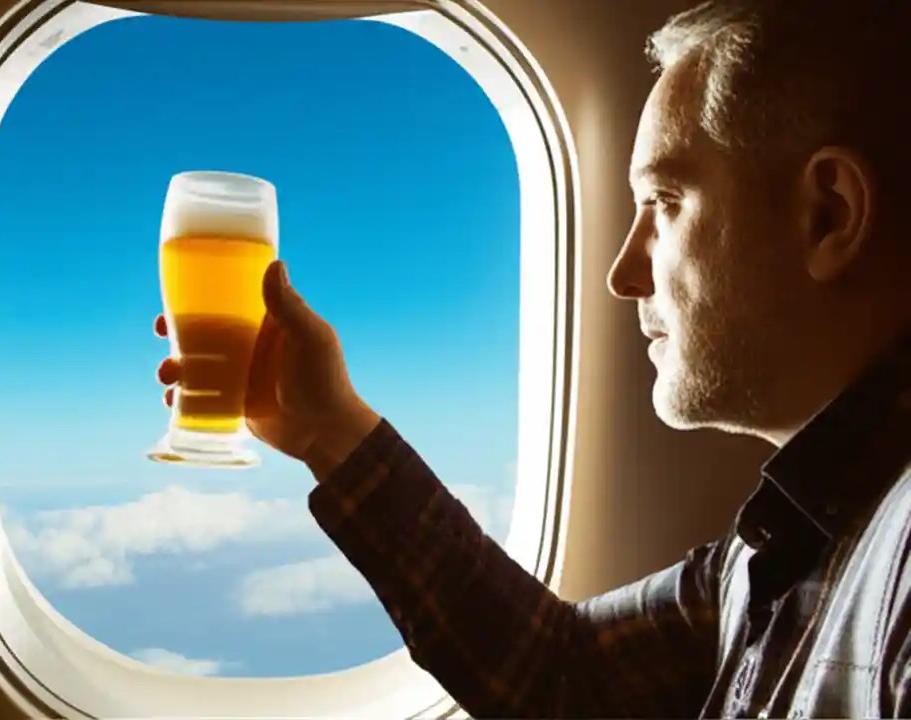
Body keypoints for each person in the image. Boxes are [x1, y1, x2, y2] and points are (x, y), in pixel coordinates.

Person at [154, 1, 911, 716]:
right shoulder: (779, 548)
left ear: (828, 215)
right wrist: (329, 431)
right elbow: (561, 675)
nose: (623, 274)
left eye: (667, 202)